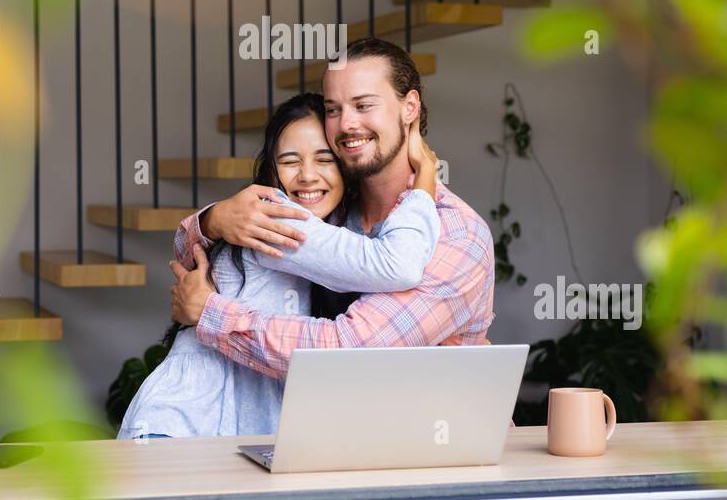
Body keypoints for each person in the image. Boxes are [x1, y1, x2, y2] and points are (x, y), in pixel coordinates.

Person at [117, 90, 441, 440]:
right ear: (271, 172)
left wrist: (207, 220)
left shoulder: (323, 229)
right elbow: (398, 264)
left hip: (232, 423)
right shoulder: (278, 218)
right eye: (290, 162)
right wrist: (424, 178)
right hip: (185, 423)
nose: (307, 176)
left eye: (324, 159)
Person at [169, 37, 495, 378]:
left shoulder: (457, 234)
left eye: (364, 105)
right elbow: (200, 260)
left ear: (409, 107)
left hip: (435, 429)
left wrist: (213, 313)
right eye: (333, 109)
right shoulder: (330, 208)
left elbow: (352, 350)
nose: (346, 124)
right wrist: (212, 221)